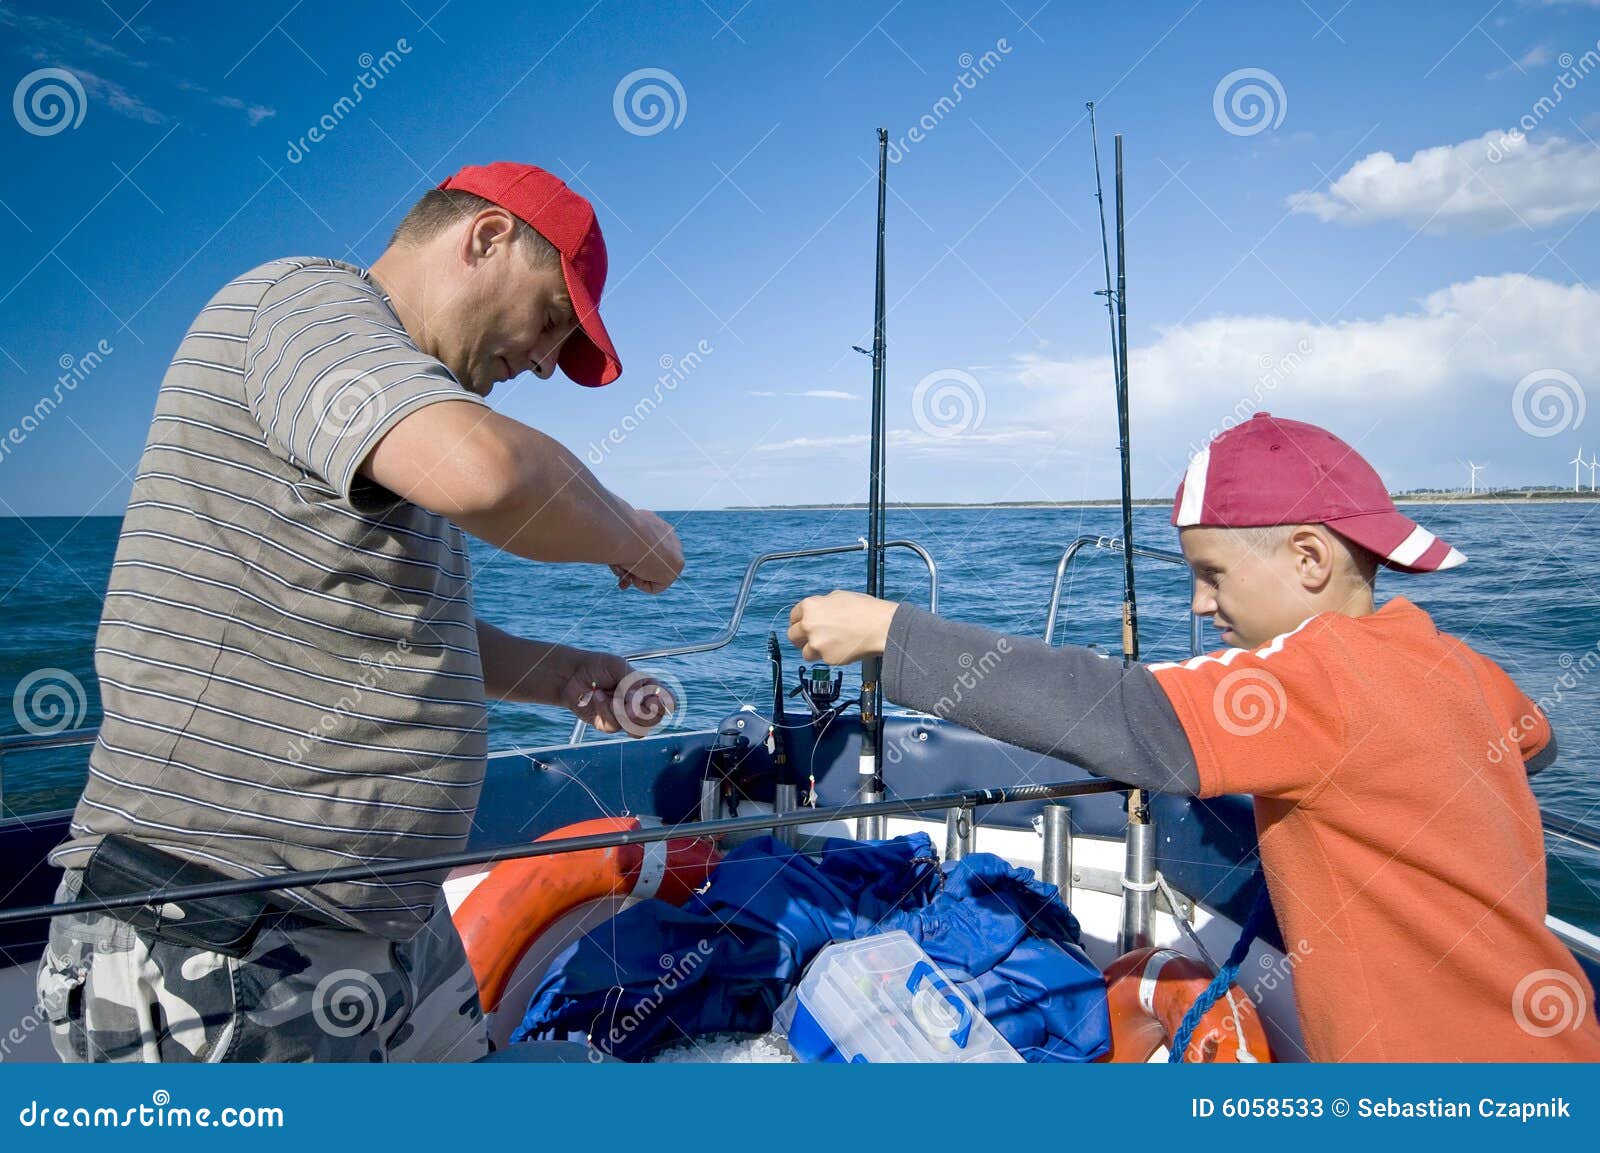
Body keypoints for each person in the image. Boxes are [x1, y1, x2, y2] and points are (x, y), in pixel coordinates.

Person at [37, 162, 683, 1063]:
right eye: (549, 321)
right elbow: (495, 475)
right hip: (225, 932)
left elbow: (391, 631)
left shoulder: (392, 412)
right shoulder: (307, 307)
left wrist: (562, 672)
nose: (542, 361)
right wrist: (635, 536)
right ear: (485, 236)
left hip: (390, 926)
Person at [788, 412, 1600, 1062]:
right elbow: (1536, 741)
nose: (1203, 606)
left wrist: (893, 635)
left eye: (1212, 574)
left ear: (1310, 557)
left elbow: (1127, 716)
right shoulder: (1449, 659)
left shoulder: (1317, 674)